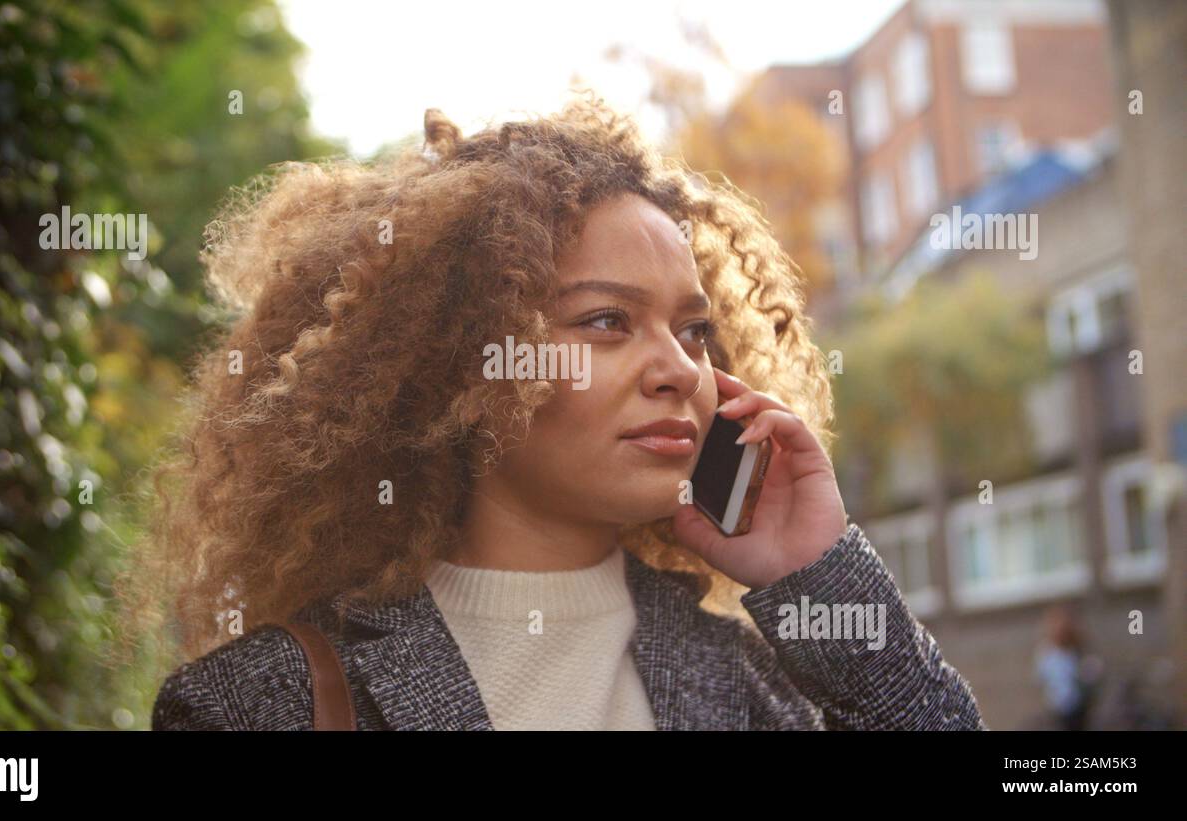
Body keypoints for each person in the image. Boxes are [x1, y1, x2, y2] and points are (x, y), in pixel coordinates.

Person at [130, 95, 986, 730]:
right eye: (606, 321)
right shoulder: (266, 702)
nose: (680, 371)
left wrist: (819, 576)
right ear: (466, 362)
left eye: (695, 331)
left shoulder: (757, 679)